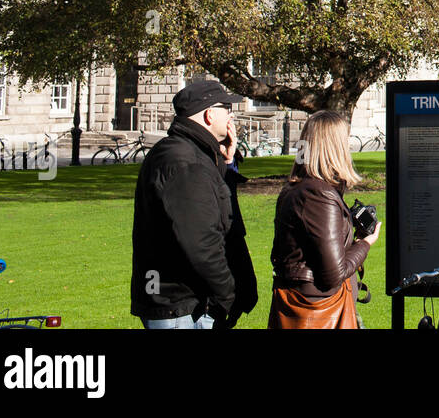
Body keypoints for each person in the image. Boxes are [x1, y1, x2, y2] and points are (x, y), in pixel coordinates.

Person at [130, 79, 258, 329]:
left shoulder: (190, 154)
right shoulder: (184, 161)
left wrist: (225, 162)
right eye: (227, 109)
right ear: (210, 114)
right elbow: (201, 242)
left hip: (183, 302)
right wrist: (228, 292)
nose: (231, 115)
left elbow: (218, 209)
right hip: (182, 306)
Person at [270, 110, 380, 328]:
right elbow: (333, 273)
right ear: (334, 146)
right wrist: (365, 244)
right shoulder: (319, 195)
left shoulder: (296, 189)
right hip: (319, 309)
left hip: (299, 302)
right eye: (344, 141)